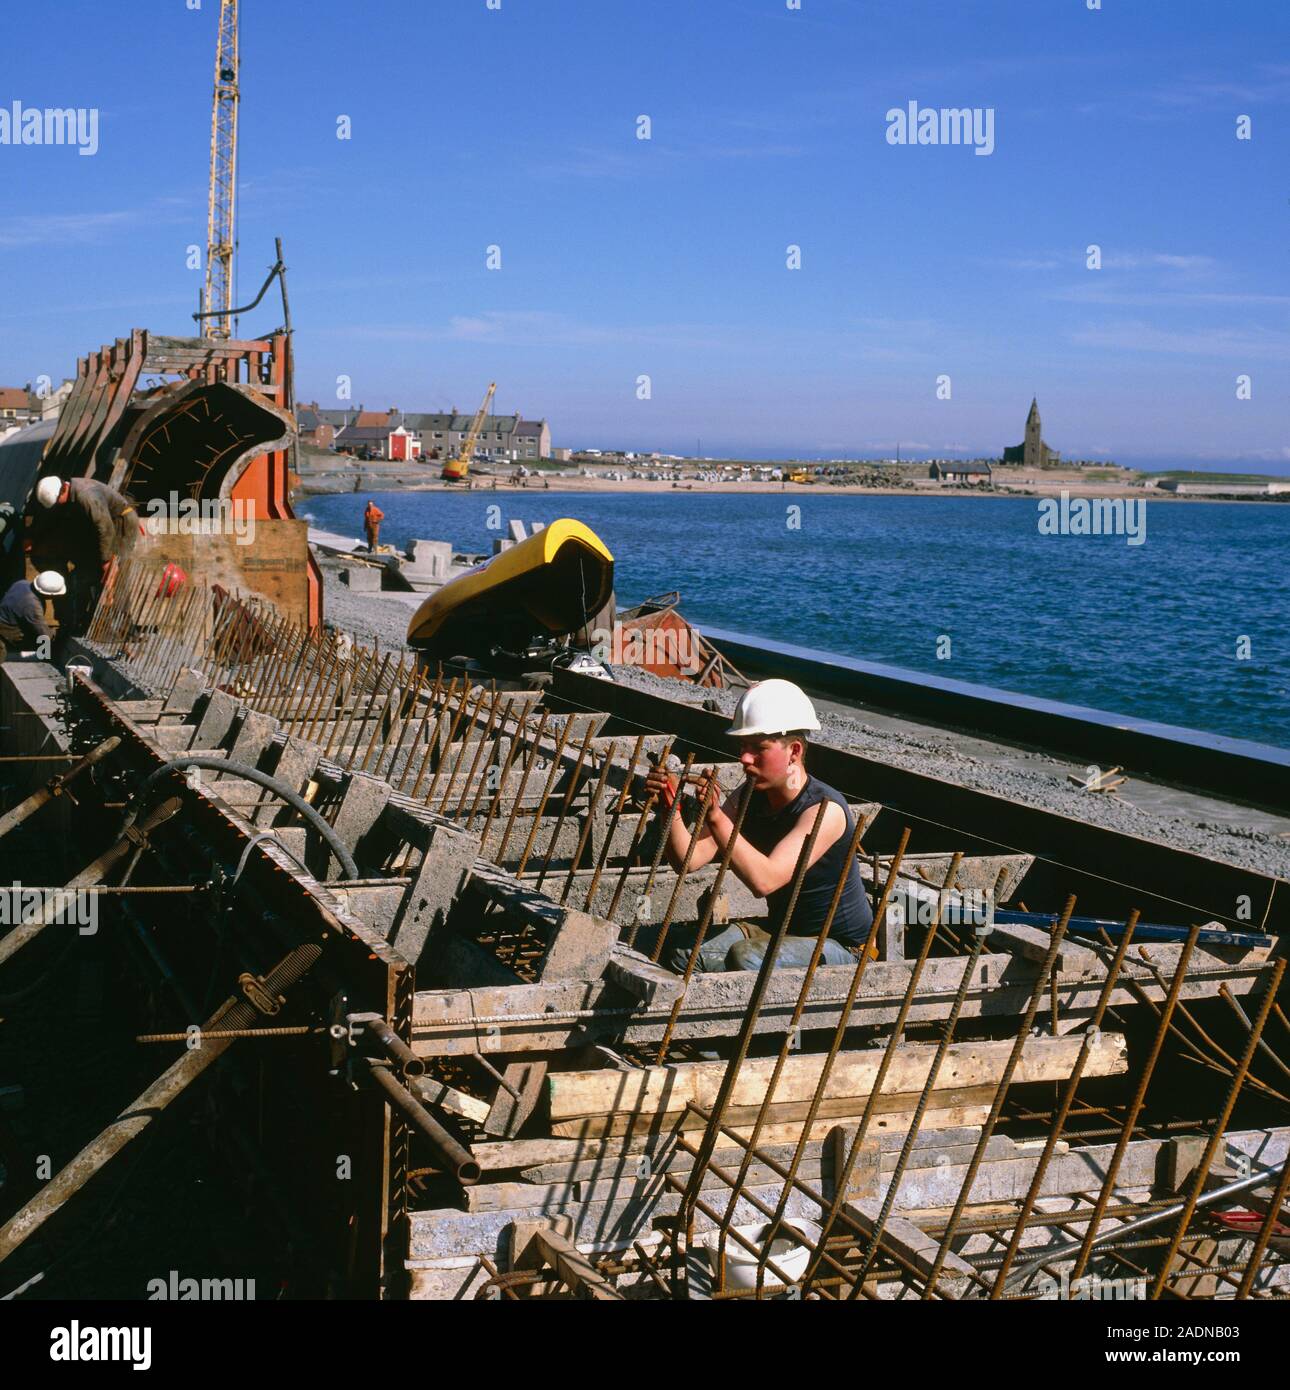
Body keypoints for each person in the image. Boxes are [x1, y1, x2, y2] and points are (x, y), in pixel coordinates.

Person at [645, 679, 873, 974]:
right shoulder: (750, 794)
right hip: (782, 932)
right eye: (742, 746)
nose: (744, 758)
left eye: (758, 748)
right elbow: (688, 859)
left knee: (746, 957)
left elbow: (764, 881)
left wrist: (715, 817)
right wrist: (670, 807)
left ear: (794, 751)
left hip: (840, 947)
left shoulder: (824, 810)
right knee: (681, 951)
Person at [30, 474, 140, 633]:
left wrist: (107, 560)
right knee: (99, 573)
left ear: (63, 490)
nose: (56, 507)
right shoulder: (73, 493)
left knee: (116, 576)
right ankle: (99, 624)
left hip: (119, 524)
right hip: (110, 523)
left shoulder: (86, 496)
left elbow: (105, 528)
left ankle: (124, 629)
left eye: (56, 503)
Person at [0, 571, 65, 662]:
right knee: (44, 639)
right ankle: (43, 658)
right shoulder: (31, 605)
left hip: (5, 618)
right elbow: (44, 634)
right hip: (6, 629)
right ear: (48, 594)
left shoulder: (21, 583)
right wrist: (55, 634)